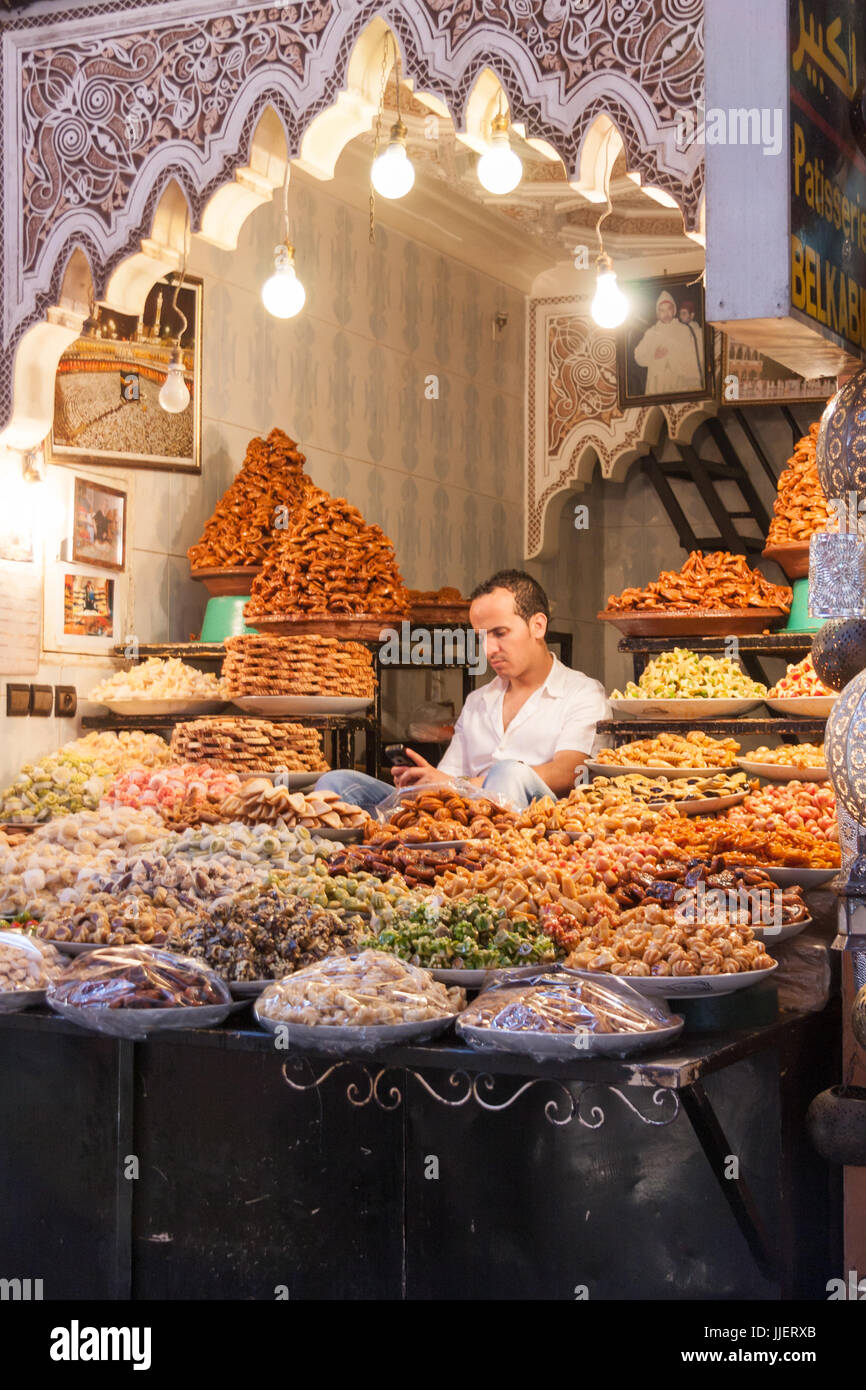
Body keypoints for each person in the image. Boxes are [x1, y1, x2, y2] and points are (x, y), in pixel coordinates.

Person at [316, 569, 611, 811]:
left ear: (538, 625)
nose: (489, 649)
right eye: (482, 637)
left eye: (500, 633)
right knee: (338, 783)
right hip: (461, 815)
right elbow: (448, 777)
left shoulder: (582, 693)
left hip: (534, 827)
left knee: (509, 772)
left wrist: (461, 785)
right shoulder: (478, 701)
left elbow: (569, 772)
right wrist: (423, 782)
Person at [632, 289, 703, 395]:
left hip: (680, 382)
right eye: (662, 310)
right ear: (658, 313)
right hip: (658, 383)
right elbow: (638, 356)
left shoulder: (684, 330)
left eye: (669, 309)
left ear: (674, 310)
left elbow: (695, 356)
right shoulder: (651, 333)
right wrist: (653, 355)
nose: (666, 313)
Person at [677, 299, 705, 383]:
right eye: (680, 313)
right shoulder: (678, 332)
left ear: (692, 315)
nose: (681, 316)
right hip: (680, 378)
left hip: (695, 377)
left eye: (684, 313)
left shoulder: (699, 333)